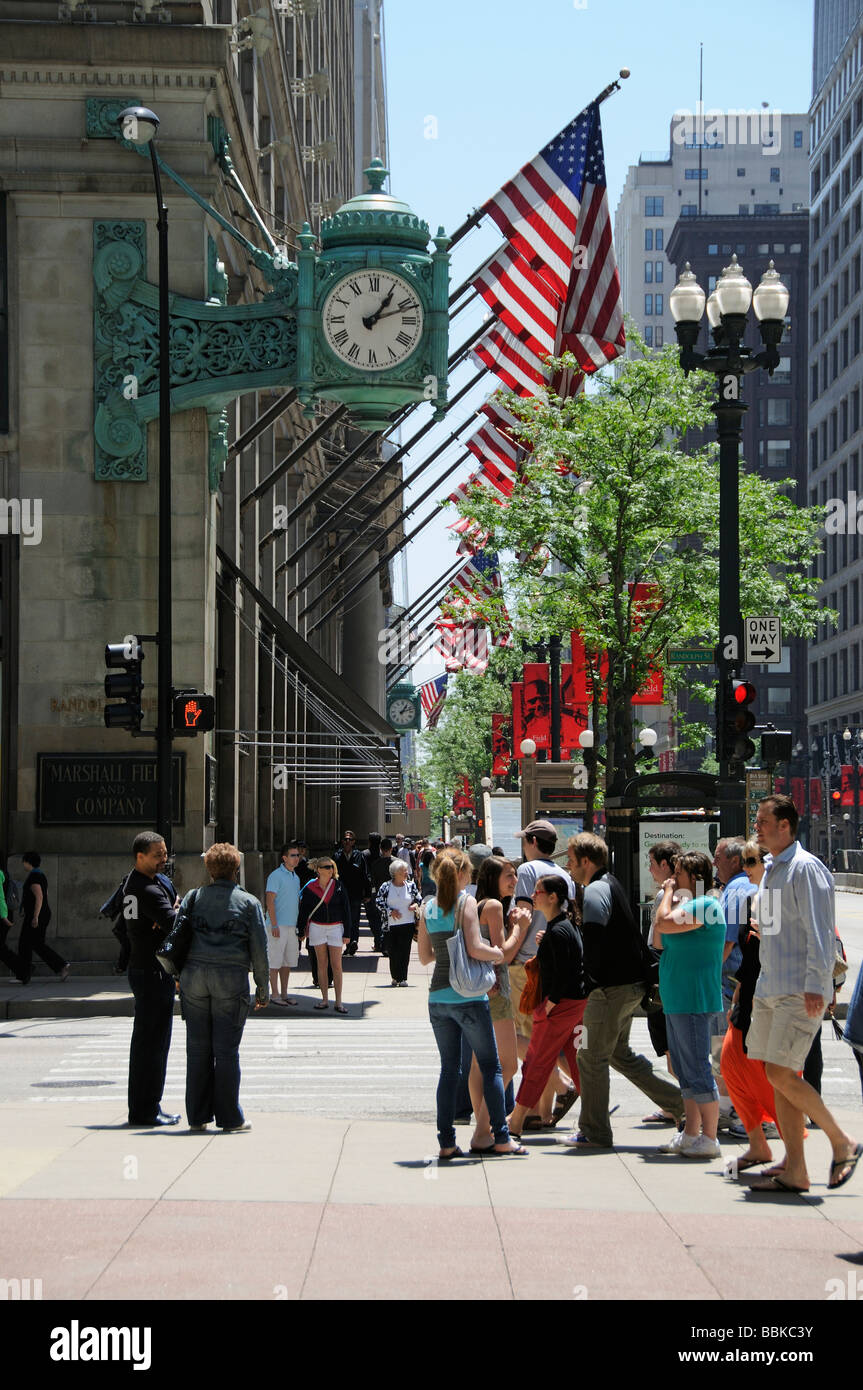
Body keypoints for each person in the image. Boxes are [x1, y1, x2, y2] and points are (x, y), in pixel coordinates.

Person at [747, 795, 861, 1194]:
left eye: (763, 821)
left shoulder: (805, 867)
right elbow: (775, 927)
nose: (757, 826)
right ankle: (795, 1168)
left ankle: (841, 1140)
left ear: (786, 825)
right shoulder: (774, 868)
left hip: (799, 988)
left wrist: (819, 983)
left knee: (780, 1072)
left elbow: (819, 930)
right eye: (757, 820)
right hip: (772, 985)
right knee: (778, 1076)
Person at [561, 832, 684, 1148]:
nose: (568, 866)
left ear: (586, 861)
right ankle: (684, 1104)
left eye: (572, 861)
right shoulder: (610, 883)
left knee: (589, 1055)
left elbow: (595, 944)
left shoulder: (595, 892)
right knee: (618, 1054)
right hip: (628, 986)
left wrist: (589, 984)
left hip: (609, 990)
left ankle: (595, 1131)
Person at [415, 848, 527, 1159]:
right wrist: (497, 954)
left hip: (438, 997)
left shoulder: (428, 908)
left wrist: (449, 953)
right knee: (491, 1065)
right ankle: (501, 1137)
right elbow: (476, 947)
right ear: (464, 875)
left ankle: (447, 1143)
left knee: (449, 1070)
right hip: (468, 997)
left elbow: (425, 957)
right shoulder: (465, 902)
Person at [177, 843, 269, 1132]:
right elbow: (259, 949)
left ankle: (197, 1116)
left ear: (209, 868)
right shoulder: (248, 903)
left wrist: (177, 976)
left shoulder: (193, 898)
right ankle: (230, 1117)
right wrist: (263, 988)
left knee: (197, 1049)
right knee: (226, 1051)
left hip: (194, 976)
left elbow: (177, 937)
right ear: (236, 868)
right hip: (230, 977)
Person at [653, 851, 727, 1159]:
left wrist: (667, 894)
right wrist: (670, 899)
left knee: (697, 1067)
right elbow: (658, 940)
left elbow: (662, 924)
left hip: (694, 998)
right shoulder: (688, 907)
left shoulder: (706, 905)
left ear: (693, 879)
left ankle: (709, 1137)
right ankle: (691, 1133)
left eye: (678, 874)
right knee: (684, 1070)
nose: (672, 879)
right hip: (678, 997)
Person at [508, 875, 588, 1140]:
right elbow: (570, 963)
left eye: (538, 891)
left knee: (536, 1063)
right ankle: (593, 1119)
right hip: (574, 1005)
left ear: (552, 897)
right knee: (578, 1063)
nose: (533, 895)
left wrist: (549, 1006)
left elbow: (566, 972)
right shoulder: (564, 927)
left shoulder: (559, 930)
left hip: (560, 1006)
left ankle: (516, 1122)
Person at [720, 840, 784, 1171]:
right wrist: (741, 988)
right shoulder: (755, 899)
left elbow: (768, 954)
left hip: (766, 997)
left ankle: (790, 1141)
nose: (746, 867)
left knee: (764, 1074)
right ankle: (759, 1143)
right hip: (750, 994)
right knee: (733, 1063)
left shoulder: (769, 901)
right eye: (744, 861)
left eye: (752, 861)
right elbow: (753, 953)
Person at [510, 820, 575, 1124]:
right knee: (541, 1038)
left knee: (523, 1039)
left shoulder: (527, 871)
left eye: (525, 840)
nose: (523, 847)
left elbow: (523, 915)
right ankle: (541, 1112)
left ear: (534, 841)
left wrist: (511, 954)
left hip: (527, 962)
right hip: (552, 962)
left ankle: (560, 1088)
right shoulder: (565, 875)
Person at [467, 856, 531, 1150]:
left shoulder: (477, 904)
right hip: (495, 994)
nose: (514, 880)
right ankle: (485, 1130)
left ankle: (487, 1130)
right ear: (493, 878)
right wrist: (520, 927)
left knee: (480, 1065)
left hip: (477, 993)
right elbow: (502, 954)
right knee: (507, 1065)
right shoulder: (493, 906)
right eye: (509, 875)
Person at [124, 831, 181, 1127]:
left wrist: (172, 909)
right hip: (150, 971)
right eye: (158, 855)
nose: (164, 859)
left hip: (150, 970)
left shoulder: (150, 883)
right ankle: (145, 1111)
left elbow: (172, 914)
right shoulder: (144, 888)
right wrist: (173, 911)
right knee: (152, 1044)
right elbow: (175, 923)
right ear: (140, 856)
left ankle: (148, 1106)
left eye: (165, 853)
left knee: (153, 1043)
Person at [642, 840, 682, 1123]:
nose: (650, 869)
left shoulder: (665, 896)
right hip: (676, 974)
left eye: (652, 863)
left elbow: (659, 939)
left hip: (662, 973)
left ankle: (679, 1104)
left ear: (665, 865)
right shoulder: (692, 892)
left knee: (670, 1046)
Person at [297, 857, 352, 1013]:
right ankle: (324, 999)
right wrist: (300, 930)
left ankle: (339, 1002)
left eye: (332, 867)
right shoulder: (309, 888)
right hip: (317, 928)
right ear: (319, 870)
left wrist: (348, 933)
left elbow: (346, 909)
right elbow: (304, 911)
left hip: (335, 928)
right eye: (327, 867)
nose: (330, 870)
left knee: (337, 965)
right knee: (321, 964)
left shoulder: (339, 886)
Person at [17, 852, 70, 985]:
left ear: (28, 862)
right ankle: (26, 973)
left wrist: (35, 916)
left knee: (26, 943)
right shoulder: (40, 875)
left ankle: (27, 973)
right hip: (41, 913)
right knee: (34, 944)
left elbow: (39, 896)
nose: (23, 864)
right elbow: (45, 894)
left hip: (36, 915)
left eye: (24, 861)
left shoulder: (34, 876)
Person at [264, 842, 302, 1007]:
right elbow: (269, 901)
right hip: (277, 925)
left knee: (287, 962)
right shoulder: (275, 875)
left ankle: (285, 993)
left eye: (297, 855)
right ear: (284, 858)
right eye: (293, 855)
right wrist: (274, 924)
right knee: (274, 961)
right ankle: (275, 993)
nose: (296, 858)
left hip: (291, 926)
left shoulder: (296, 877)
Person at [375, 857, 423, 985]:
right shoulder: (386, 886)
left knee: (404, 951)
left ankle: (403, 978)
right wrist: (390, 911)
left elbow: (419, 899)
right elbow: (378, 901)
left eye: (406, 870)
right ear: (395, 873)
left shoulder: (410, 885)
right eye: (403, 871)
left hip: (407, 924)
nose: (406, 873)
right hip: (390, 925)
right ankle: (395, 977)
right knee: (393, 951)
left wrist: (415, 905)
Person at [334, 831, 370, 955]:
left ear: (354, 842)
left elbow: (365, 875)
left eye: (350, 839)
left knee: (354, 919)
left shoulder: (359, 856)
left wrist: (368, 893)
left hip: (355, 893)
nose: (347, 842)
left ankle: (353, 942)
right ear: (342, 842)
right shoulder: (337, 856)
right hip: (340, 893)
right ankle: (344, 943)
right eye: (345, 839)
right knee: (342, 919)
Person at [0, 853, 24, 981]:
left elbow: (0, 898)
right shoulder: (4, 872)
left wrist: (4, 917)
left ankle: (23, 969)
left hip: (3, 915)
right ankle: (23, 969)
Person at [364, 833, 389, 952]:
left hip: (370, 890)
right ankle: (380, 942)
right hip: (383, 891)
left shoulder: (364, 855)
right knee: (382, 917)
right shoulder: (382, 856)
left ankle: (378, 940)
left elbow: (363, 874)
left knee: (372, 917)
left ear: (369, 842)